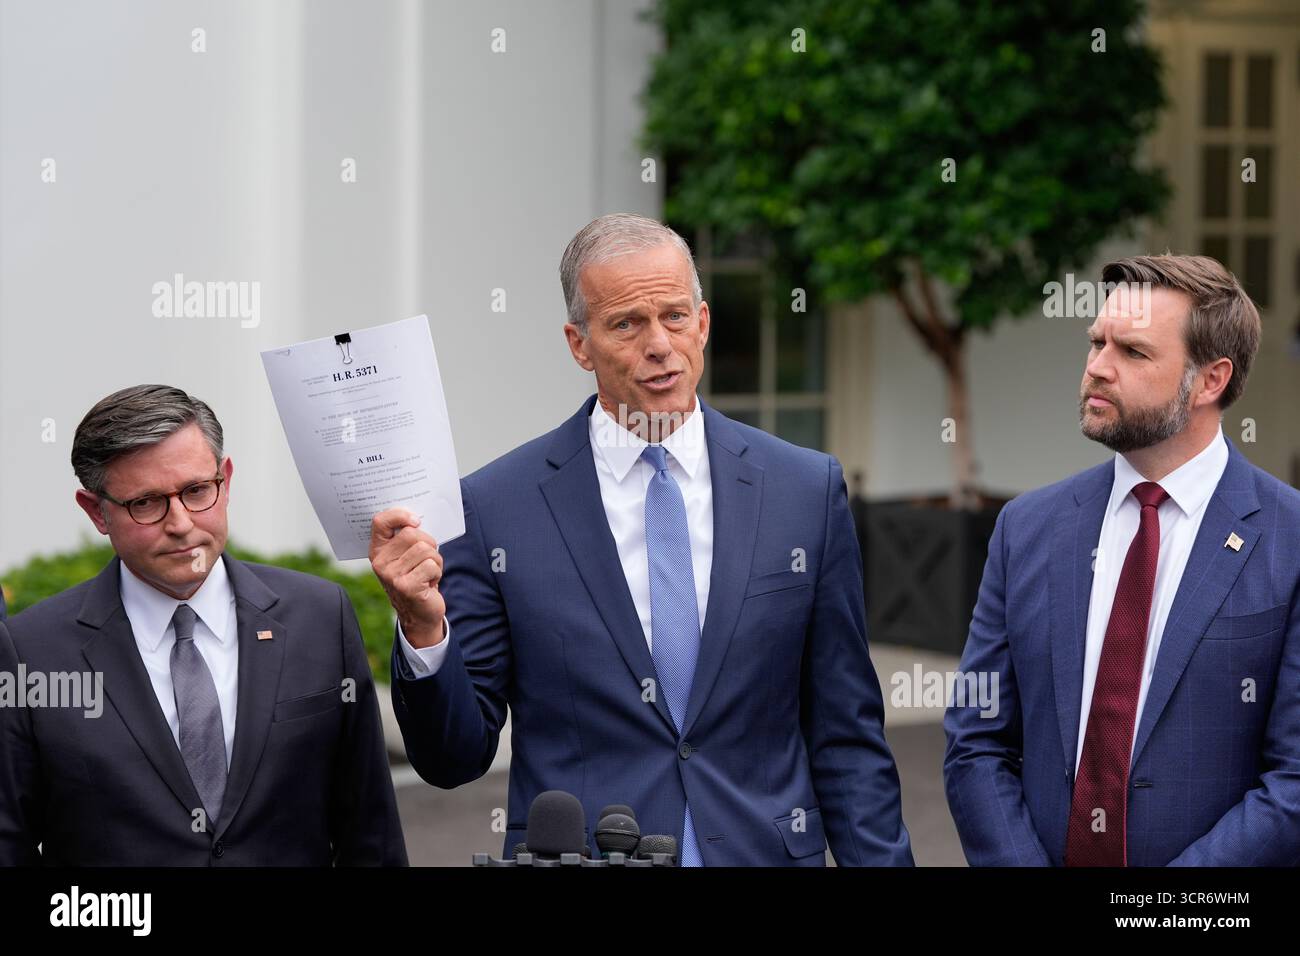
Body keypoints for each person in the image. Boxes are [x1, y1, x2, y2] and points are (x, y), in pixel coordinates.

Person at [371, 213, 912, 866]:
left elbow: (847, 739)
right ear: (579, 343)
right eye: (627, 323)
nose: (659, 344)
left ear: (704, 324)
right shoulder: (492, 510)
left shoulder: (804, 491)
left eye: (675, 317)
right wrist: (423, 630)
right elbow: (453, 757)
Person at [944, 255, 1299, 866]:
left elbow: (1293, 780)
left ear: (1210, 380)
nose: (1097, 368)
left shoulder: (1287, 538)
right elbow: (978, 742)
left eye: (1132, 353)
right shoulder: (1026, 528)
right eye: (1096, 343)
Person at [0, 385, 406, 865]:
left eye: (196, 491)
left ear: (225, 480)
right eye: (146, 503)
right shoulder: (32, 650)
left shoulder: (320, 617)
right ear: (96, 512)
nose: (180, 522)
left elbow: (370, 834)